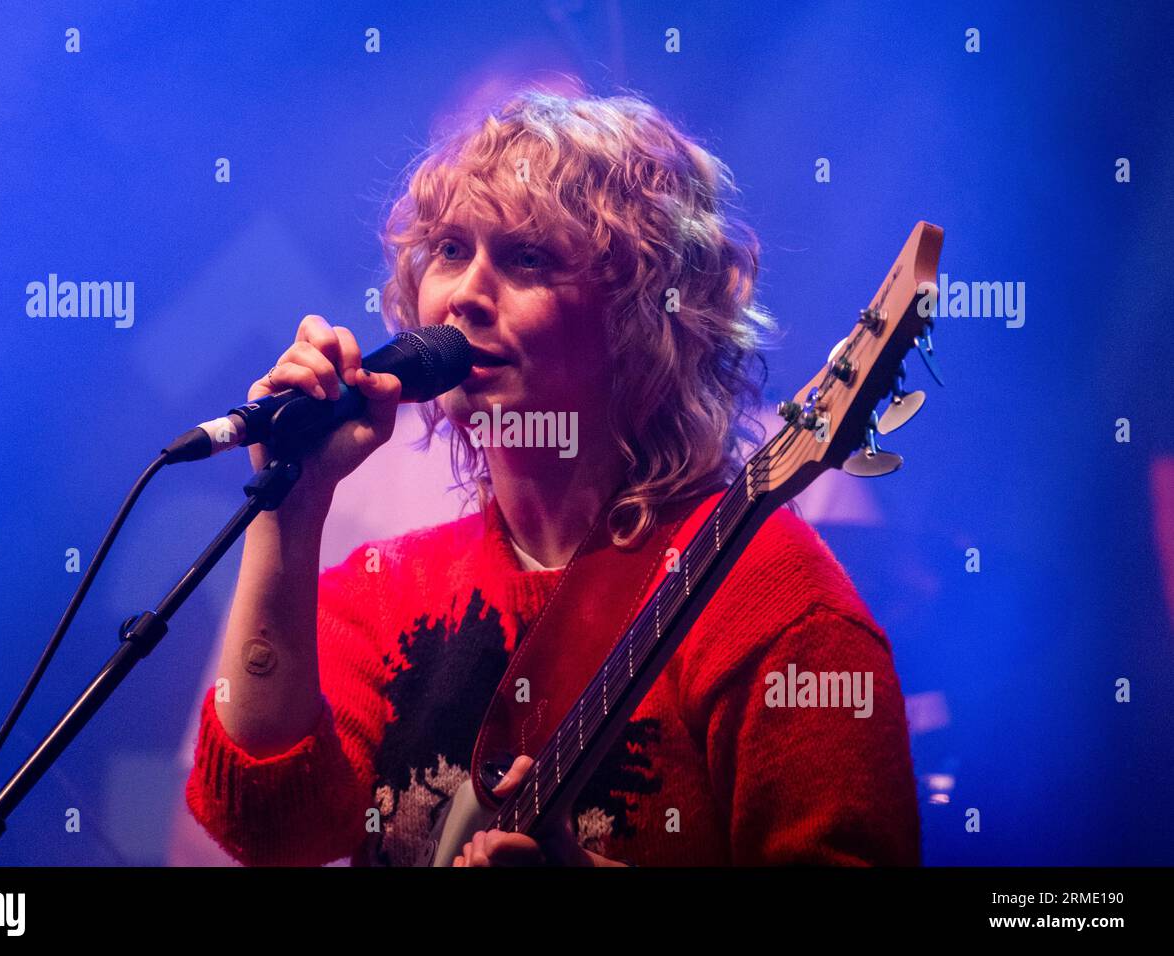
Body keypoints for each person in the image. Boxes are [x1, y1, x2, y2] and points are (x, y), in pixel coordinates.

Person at [184, 88, 921, 867]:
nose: (465, 292)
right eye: (450, 251)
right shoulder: (388, 593)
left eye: (526, 258)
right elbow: (269, 826)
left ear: (640, 317)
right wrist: (289, 513)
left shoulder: (775, 603)